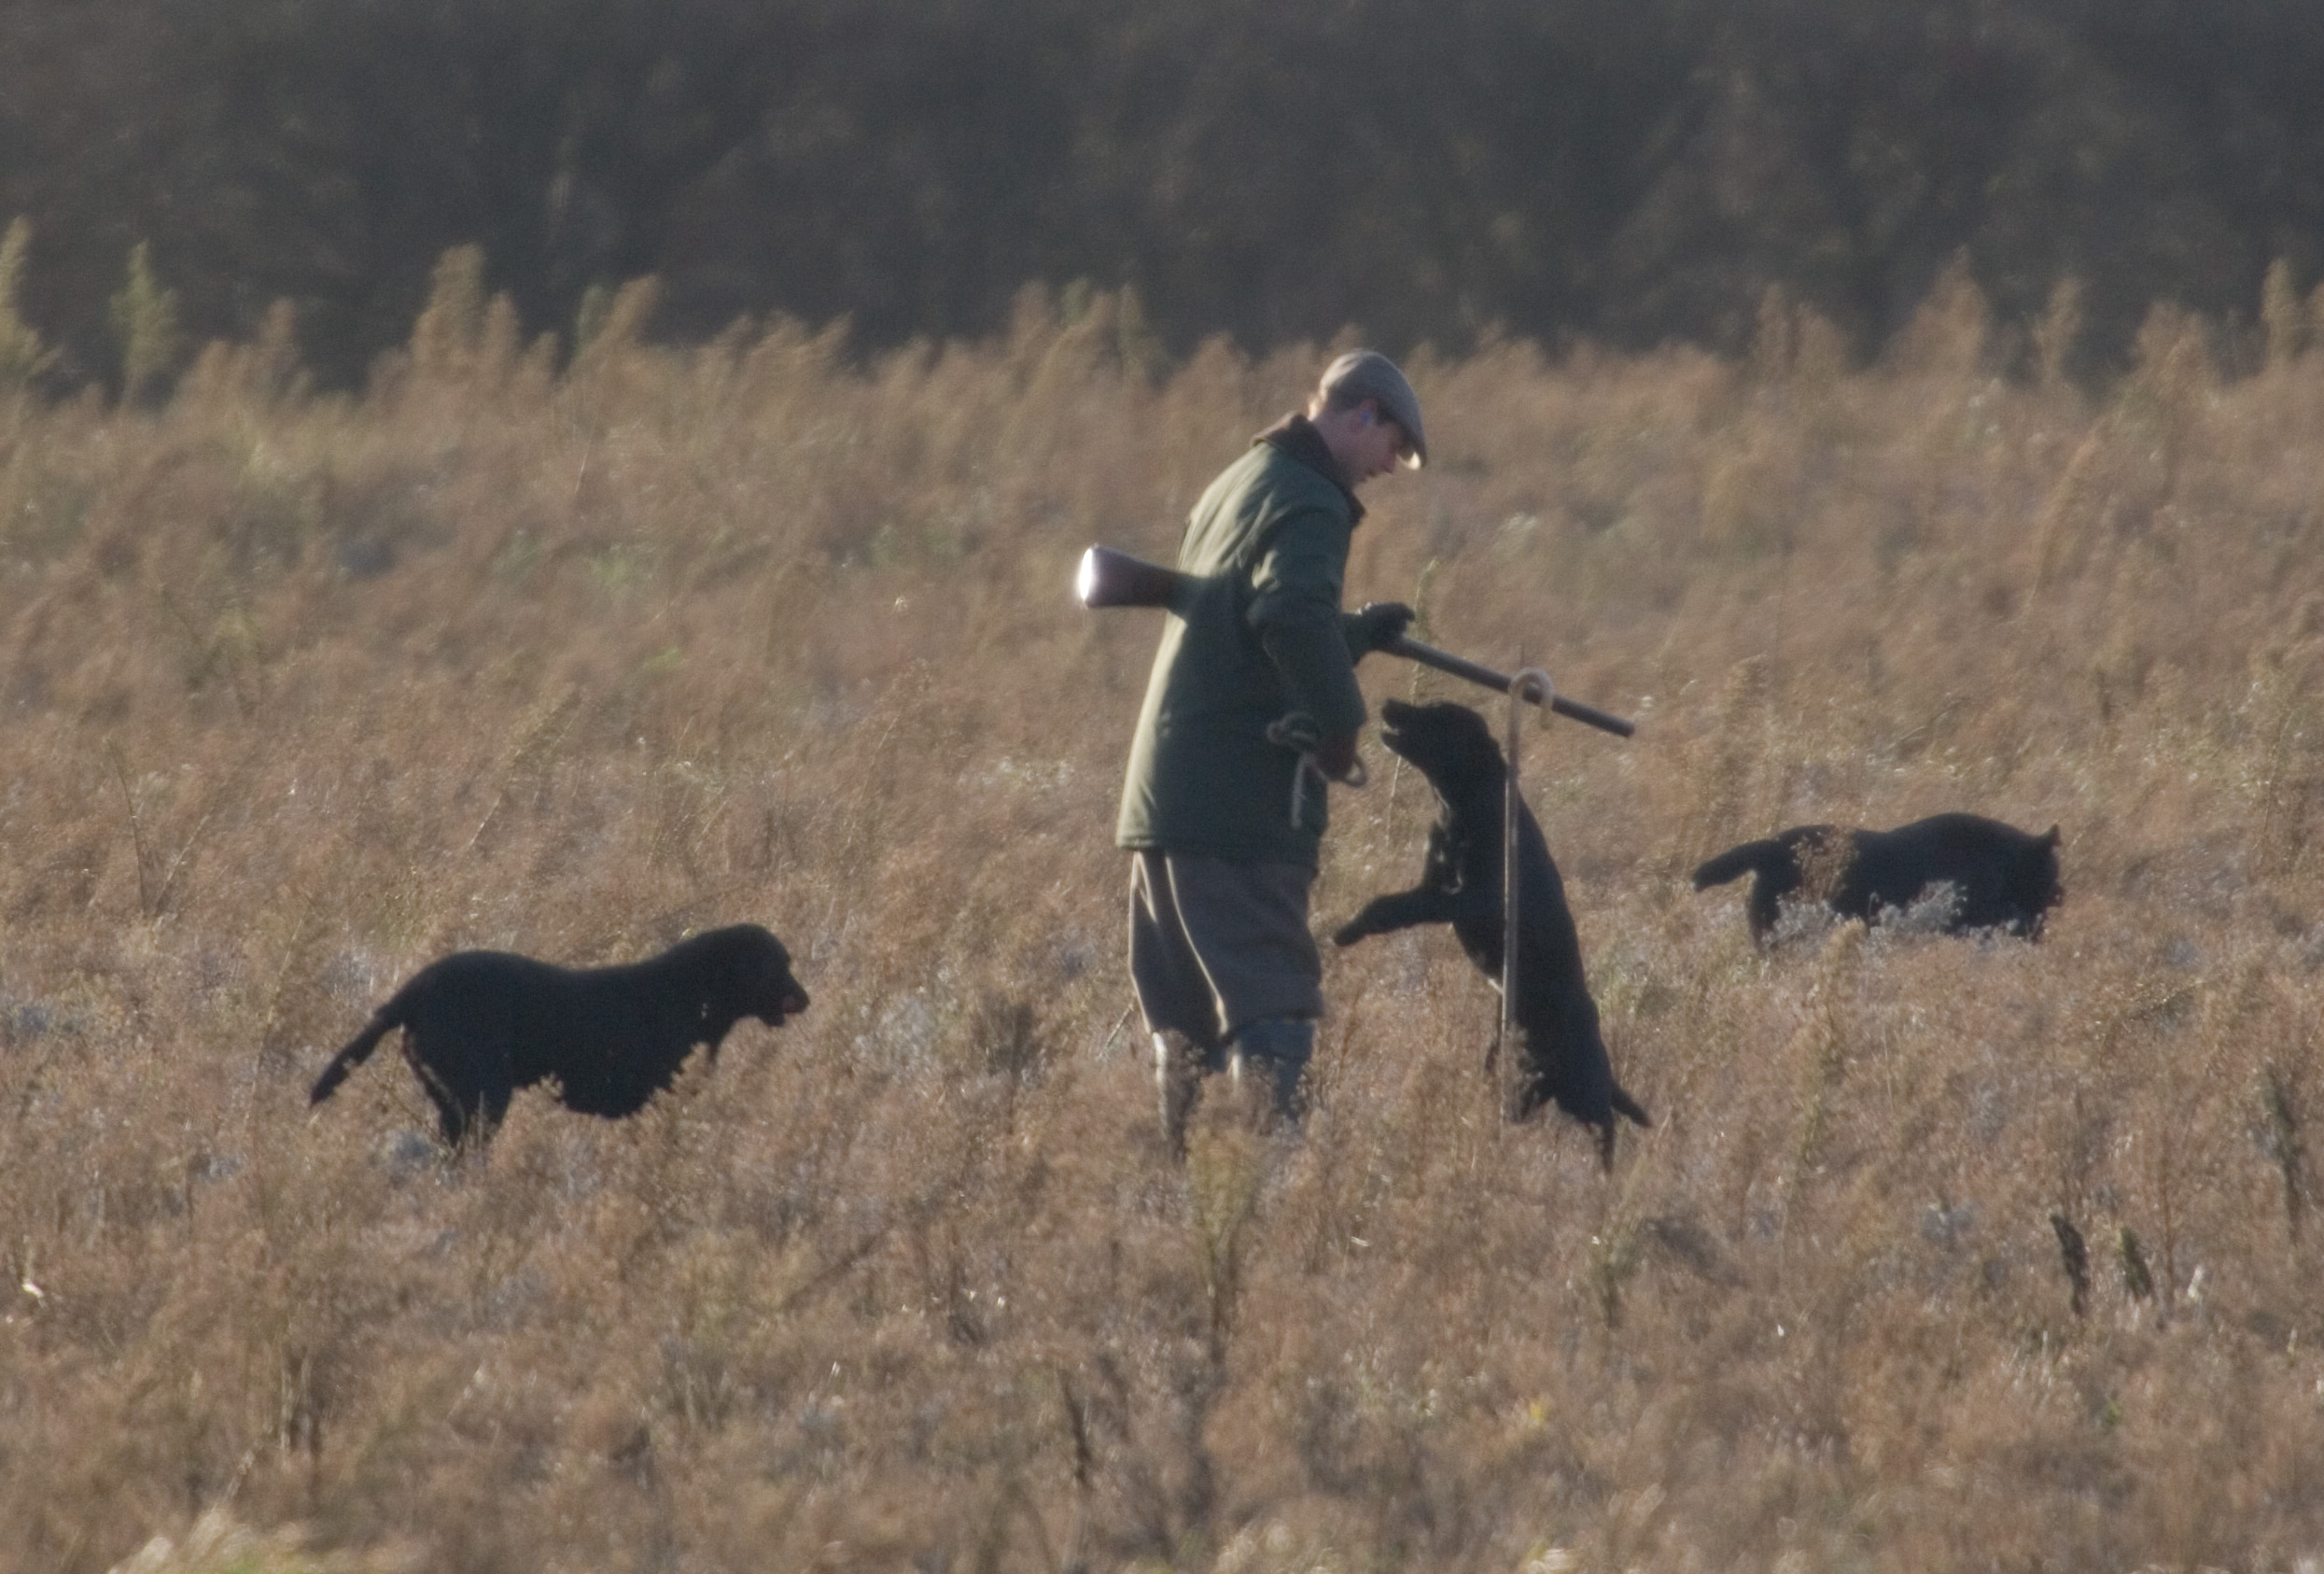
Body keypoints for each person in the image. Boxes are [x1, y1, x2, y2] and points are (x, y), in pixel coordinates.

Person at [1114, 349, 1427, 1152]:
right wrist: (1339, 722)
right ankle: (1275, 1183)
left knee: (1180, 1015)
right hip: (1238, 806)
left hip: (1167, 794)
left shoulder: (1240, 480)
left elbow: (1235, 616)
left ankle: (1173, 1182)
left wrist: (1350, 633)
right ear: (1361, 415)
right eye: (1394, 444)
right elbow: (1287, 615)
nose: (1392, 466)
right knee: (1274, 1000)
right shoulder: (1312, 500)